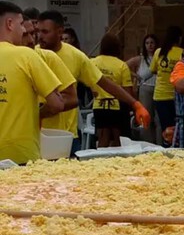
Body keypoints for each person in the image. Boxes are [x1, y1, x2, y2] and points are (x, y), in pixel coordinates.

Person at [36, 10, 150, 153]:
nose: (40, 36)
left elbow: (104, 82)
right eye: (38, 31)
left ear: (60, 31)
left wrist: (135, 104)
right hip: (38, 134)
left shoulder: (76, 56)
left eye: (45, 32)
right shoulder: (32, 55)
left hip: (68, 135)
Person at [0, 0, 64, 164]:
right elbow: (57, 104)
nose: (23, 30)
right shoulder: (26, 56)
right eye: (21, 24)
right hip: (21, 155)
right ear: (9, 24)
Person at [21, 18, 77, 118]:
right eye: (24, 35)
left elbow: (72, 99)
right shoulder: (6, 60)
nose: (31, 40)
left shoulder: (49, 57)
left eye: (33, 33)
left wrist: (38, 113)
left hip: (49, 127)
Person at [91, 34, 133, 147]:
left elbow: (88, 81)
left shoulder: (93, 62)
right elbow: (128, 92)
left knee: (102, 139)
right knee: (118, 140)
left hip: (99, 105)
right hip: (117, 107)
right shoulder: (122, 65)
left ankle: (100, 156)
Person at [150, 26, 183, 146]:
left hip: (160, 96)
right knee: (177, 128)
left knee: (165, 128)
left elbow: (153, 70)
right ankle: (175, 147)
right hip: (176, 97)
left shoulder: (159, 52)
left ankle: (166, 147)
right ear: (179, 38)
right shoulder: (182, 53)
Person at [127, 34, 159, 143]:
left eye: (152, 43)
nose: (150, 45)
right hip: (145, 88)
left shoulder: (159, 57)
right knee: (146, 116)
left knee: (158, 119)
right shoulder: (140, 59)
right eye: (147, 43)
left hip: (158, 88)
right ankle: (147, 141)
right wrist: (136, 76)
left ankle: (159, 142)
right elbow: (124, 65)